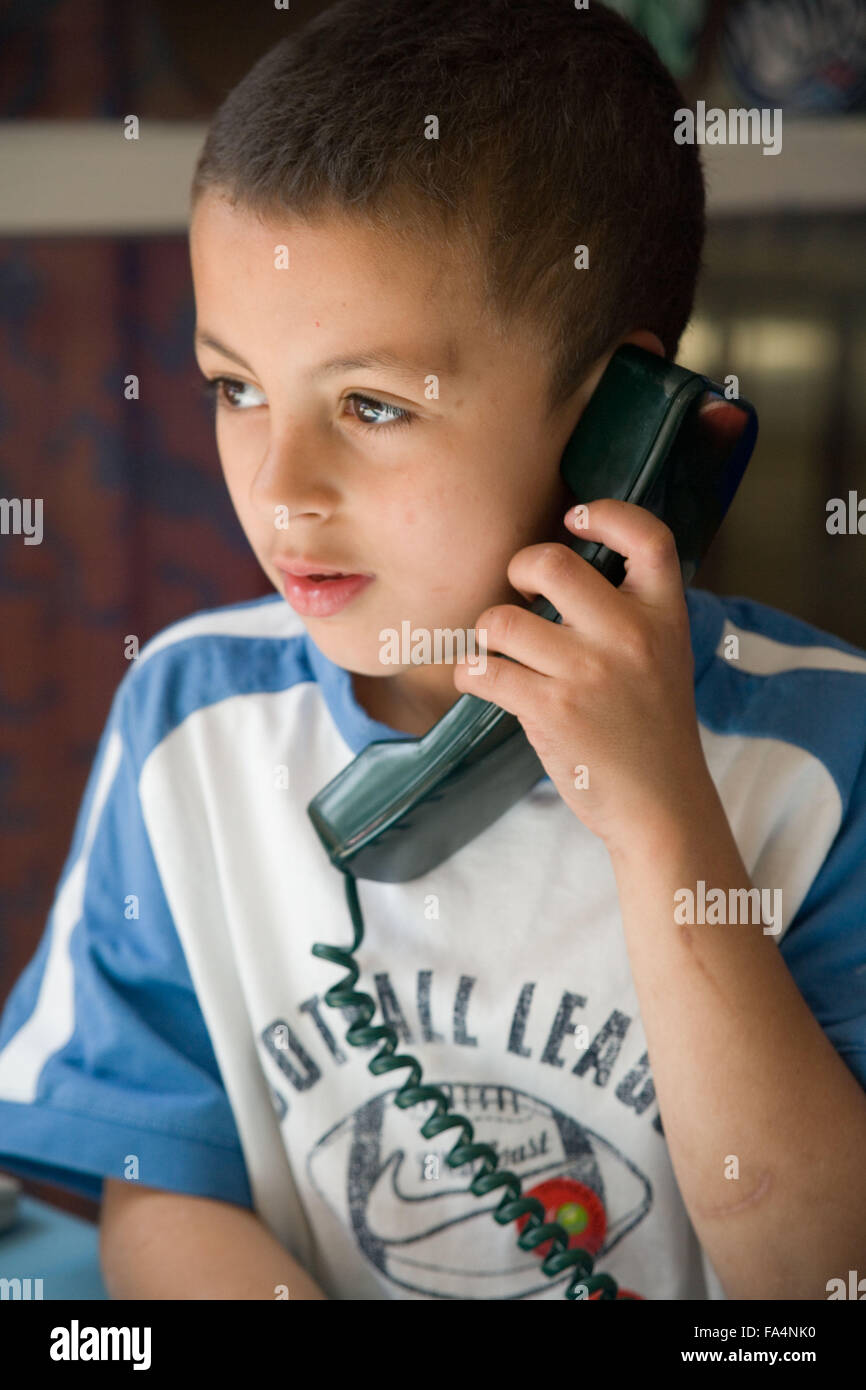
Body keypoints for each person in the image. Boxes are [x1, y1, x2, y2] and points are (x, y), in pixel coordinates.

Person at [1, 0, 865, 1302]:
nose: (282, 491)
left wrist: (659, 818)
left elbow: (821, 1269)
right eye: (235, 388)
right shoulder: (186, 721)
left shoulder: (820, 754)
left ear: (614, 418)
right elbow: (163, 1191)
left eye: (371, 404)